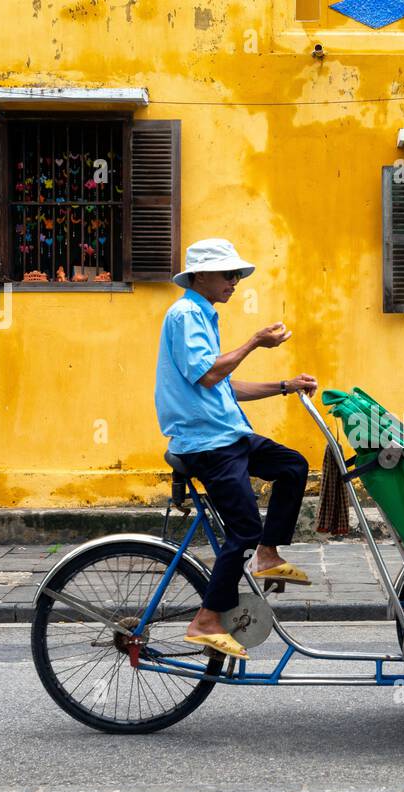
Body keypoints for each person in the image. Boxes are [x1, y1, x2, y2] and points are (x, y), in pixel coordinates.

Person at [155, 238, 317, 660]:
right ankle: (206, 620)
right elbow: (210, 375)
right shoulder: (186, 314)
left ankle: (268, 554)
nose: (234, 282)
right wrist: (252, 343)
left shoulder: (203, 315)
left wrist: (286, 386)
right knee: (243, 527)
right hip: (207, 442)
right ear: (201, 276)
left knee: (292, 466)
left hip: (227, 433)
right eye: (228, 274)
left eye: (236, 275)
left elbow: (226, 384)